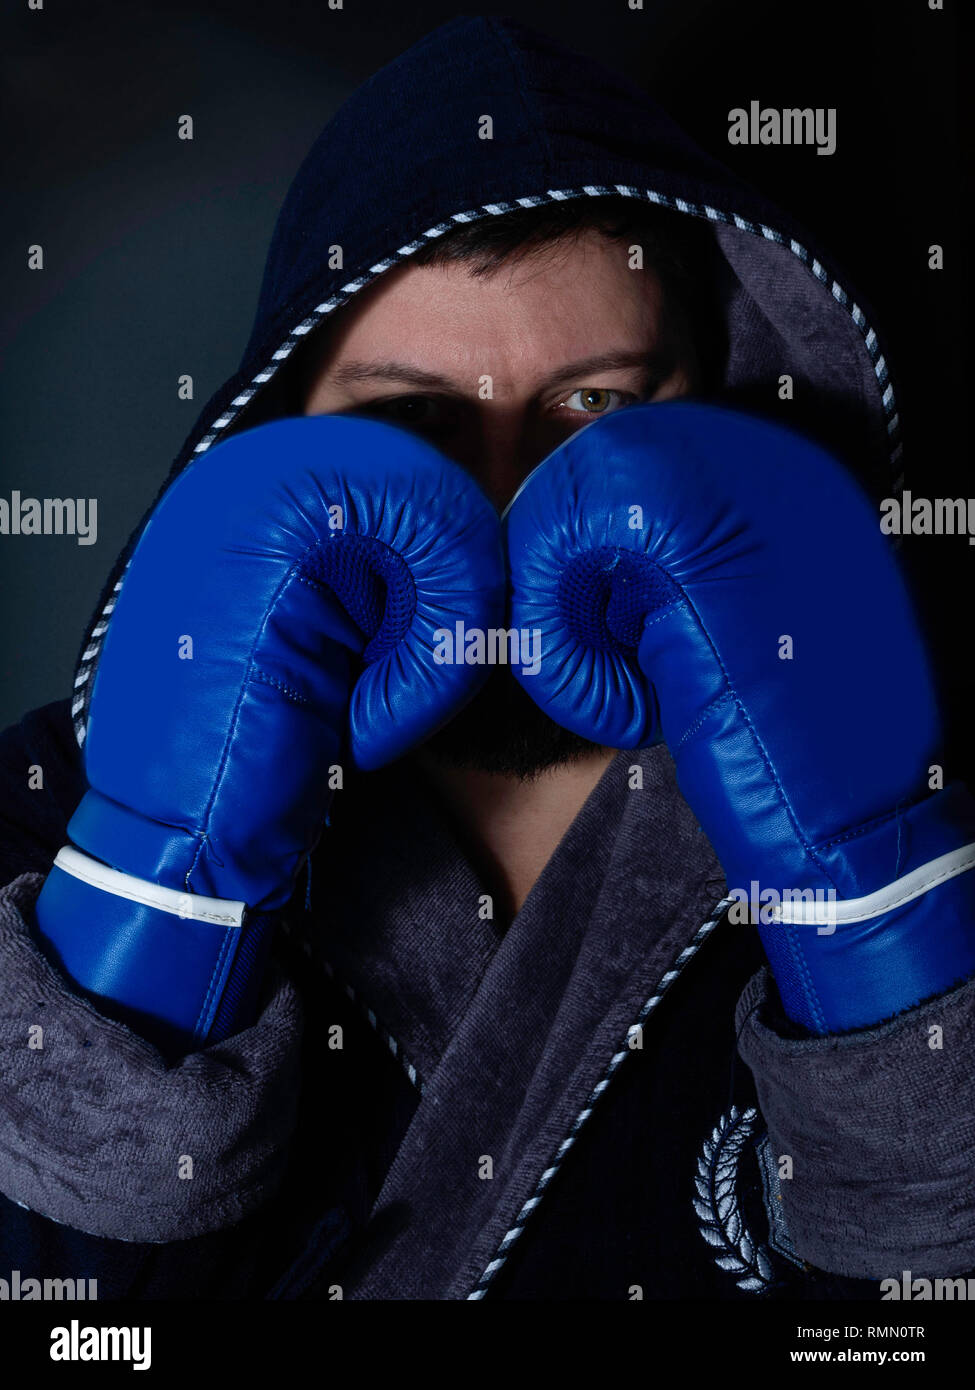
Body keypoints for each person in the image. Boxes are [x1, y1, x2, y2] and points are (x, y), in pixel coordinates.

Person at [1, 16, 972, 1301]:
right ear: (280, 424)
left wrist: (871, 897)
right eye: (411, 418)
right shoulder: (52, 809)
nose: (506, 499)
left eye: (597, 404)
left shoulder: (918, 795)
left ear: (721, 399)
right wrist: (159, 880)